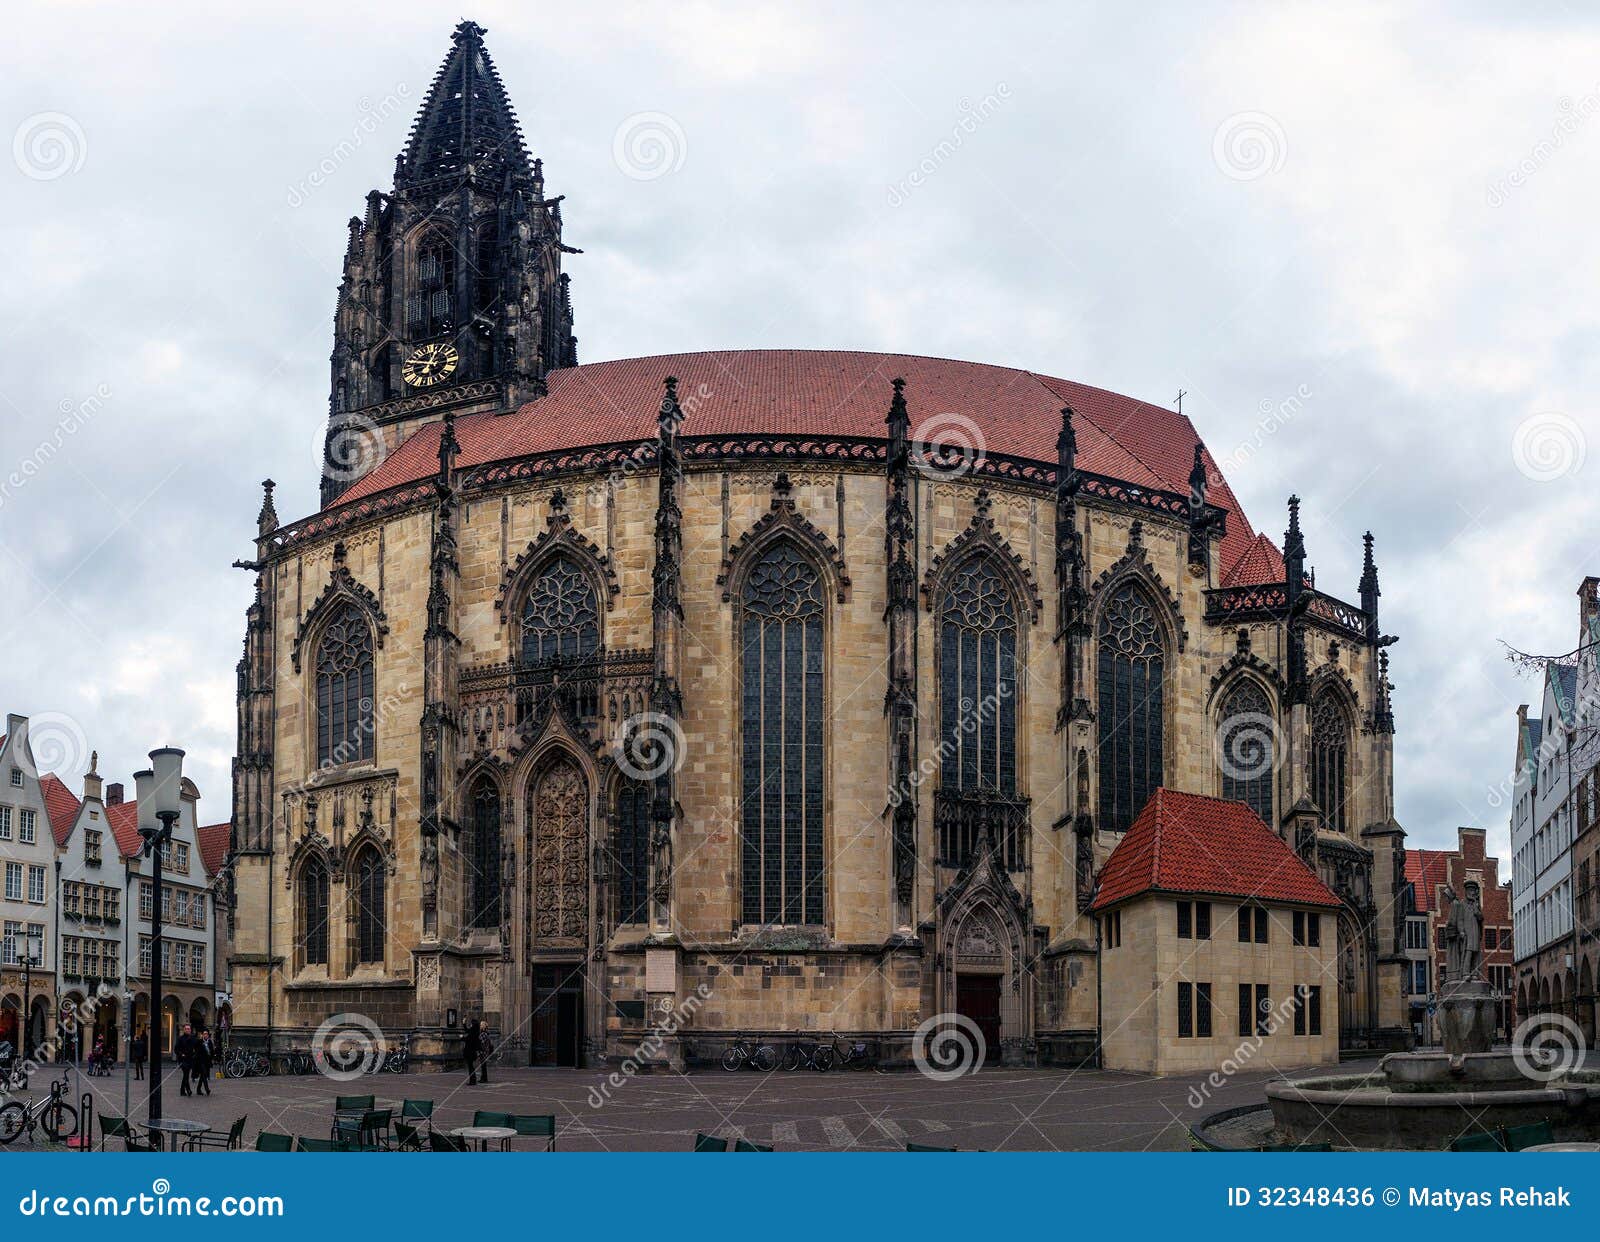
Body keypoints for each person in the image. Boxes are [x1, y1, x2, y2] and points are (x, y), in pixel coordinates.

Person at [175, 1024, 196, 1097]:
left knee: (186, 1075)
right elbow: (176, 1049)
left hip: (190, 1059)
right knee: (186, 1074)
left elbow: (196, 1047)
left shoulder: (193, 1038)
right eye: (186, 1029)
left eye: (189, 1029)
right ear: (184, 1030)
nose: (188, 1030)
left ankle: (182, 1091)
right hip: (183, 1060)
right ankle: (188, 1090)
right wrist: (181, 1054)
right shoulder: (180, 1038)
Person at [190, 1027, 213, 1095]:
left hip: (207, 1061)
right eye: (204, 1034)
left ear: (208, 1035)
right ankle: (207, 1089)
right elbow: (194, 1047)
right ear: (202, 1035)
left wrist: (211, 1057)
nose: (205, 1035)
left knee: (203, 1076)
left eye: (206, 1034)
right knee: (204, 1074)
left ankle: (198, 1089)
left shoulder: (210, 1042)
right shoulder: (199, 1041)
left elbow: (212, 1051)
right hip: (200, 1061)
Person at [463, 1018, 482, 1086]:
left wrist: (462, 1037)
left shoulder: (472, 1033)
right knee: (471, 1066)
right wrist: (464, 1023)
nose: (470, 1025)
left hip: (470, 1052)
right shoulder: (475, 1031)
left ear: (473, 1024)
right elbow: (467, 1030)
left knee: (470, 1067)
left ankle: (472, 1081)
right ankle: (473, 1080)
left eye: (471, 1023)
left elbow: (468, 1039)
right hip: (472, 1052)